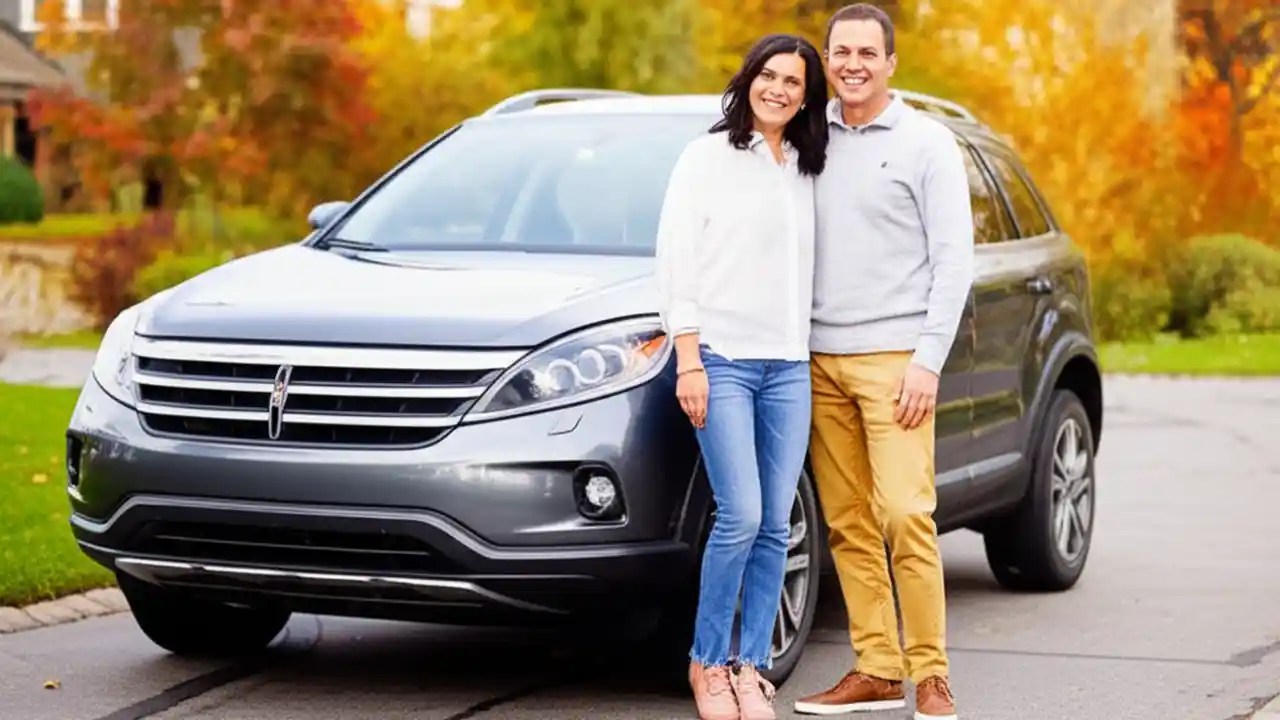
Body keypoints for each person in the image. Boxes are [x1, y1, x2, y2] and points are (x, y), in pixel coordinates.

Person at [791, 5, 974, 720]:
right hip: (818, 359)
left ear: (891, 62)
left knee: (904, 514)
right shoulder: (810, 137)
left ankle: (931, 674)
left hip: (896, 361)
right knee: (847, 522)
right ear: (828, 59)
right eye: (841, 51)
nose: (854, 63)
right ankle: (876, 668)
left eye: (868, 51)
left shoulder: (928, 144)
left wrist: (927, 362)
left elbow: (952, 261)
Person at [654, 33, 829, 720]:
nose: (778, 89)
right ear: (748, 78)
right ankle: (707, 663)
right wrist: (688, 357)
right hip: (721, 358)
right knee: (742, 515)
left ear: (807, 96)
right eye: (768, 75)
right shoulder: (707, 158)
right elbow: (677, 261)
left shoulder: (809, 166)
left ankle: (752, 667)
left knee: (774, 524)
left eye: (793, 81)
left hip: (789, 365)